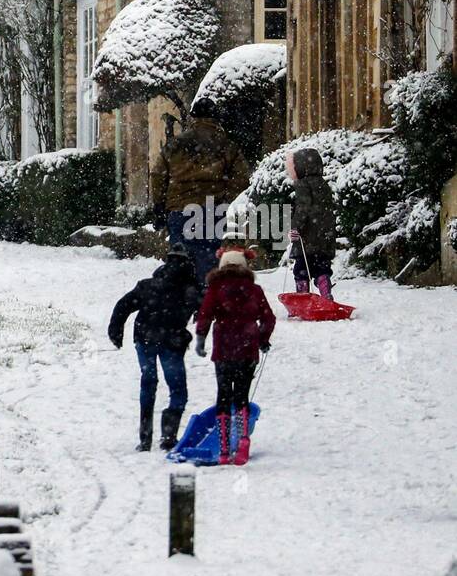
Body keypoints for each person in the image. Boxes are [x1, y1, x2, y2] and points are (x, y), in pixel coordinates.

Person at [108, 245, 201, 452]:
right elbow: (210, 309)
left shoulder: (147, 285)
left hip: (145, 338)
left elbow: (123, 305)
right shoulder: (191, 288)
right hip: (172, 341)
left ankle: (145, 437)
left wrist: (116, 331)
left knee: (148, 384)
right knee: (177, 389)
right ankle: (168, 435)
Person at [149, 105, 251, 287]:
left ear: (193, 117)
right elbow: (241, 178)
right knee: (209, 258)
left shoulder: (176, 144)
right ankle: (205, 301)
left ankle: (181, 299)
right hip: (213, 209)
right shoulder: (227, 145)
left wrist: (159, 205)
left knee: (180, 259)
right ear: (216, 118)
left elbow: (158, 175)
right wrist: (226, 198)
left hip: (180, 209)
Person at [195, 249, 276, 466]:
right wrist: (262, 338)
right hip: (248, 349)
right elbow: (268, 318)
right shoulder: (254, 289)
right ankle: (242, 442)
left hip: (223, 349)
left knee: (223, 395)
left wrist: (201, 338)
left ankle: (223, 449)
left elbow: (205, 314)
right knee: (241, 395)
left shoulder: (215, 288)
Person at [286, 147, 337, 297]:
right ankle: (325, 292)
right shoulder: (323, 185)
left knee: (301, 269)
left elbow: (303, 208)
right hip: (324, 236)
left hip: (307, 236)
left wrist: (296, 227)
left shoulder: (302, 185)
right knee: (321, 267)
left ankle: (302, 297)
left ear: (300, 167)